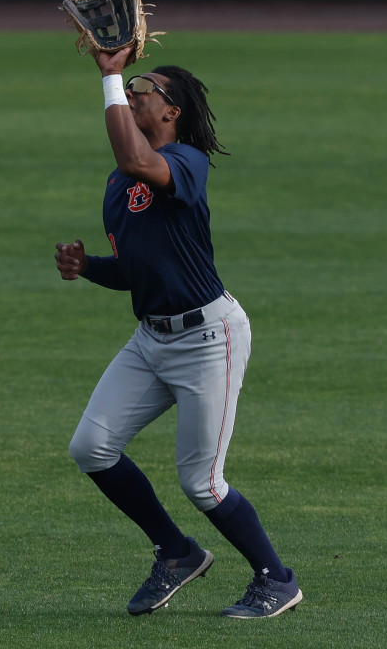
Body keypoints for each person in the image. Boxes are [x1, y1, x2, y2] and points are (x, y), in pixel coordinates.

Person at [54, 46, 303, 618]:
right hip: (151, 339)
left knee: (201, 480)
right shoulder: (119, 184)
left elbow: (143, 162)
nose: (139, 92)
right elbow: (140, 270)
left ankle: (277, 578)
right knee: (91, 447)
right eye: (135, 84)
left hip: (207, 338)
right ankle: (175, 551)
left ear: (172, 113)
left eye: (149, 86)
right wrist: (89, 266)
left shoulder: (186, 161)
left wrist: (112, 75)